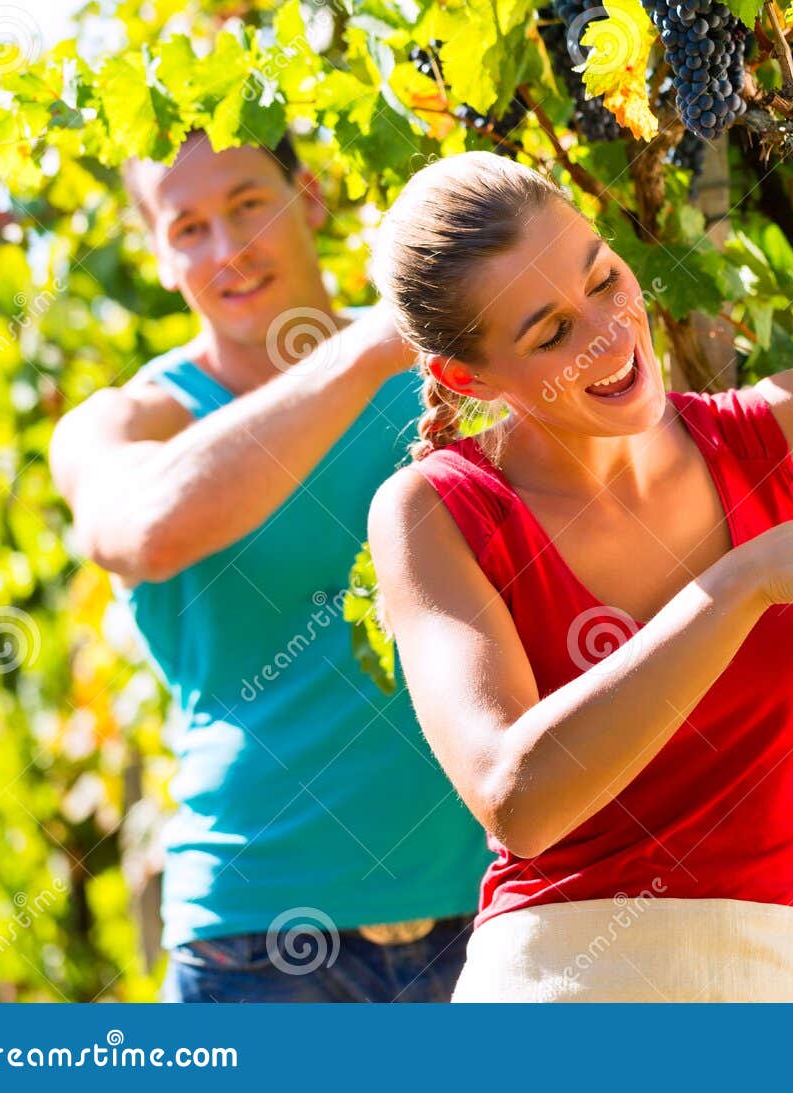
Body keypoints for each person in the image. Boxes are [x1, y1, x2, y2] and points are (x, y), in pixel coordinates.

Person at [365, 151, 793, 1002]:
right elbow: (517, 798)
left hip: (791, 988)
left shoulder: (768, 439)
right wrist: (744, 578)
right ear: (467, 377)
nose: (608, 333)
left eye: (603, 278)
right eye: (552, 331)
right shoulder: (439, 509)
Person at [48, 132, 492, 1002]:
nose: (229, 250)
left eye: (250, 204)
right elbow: (143, 529)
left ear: (312, 196)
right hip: (258, 942)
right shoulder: (126, 423)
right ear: (159, 254)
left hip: (490, 903)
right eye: (189, 228)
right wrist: (366, 347)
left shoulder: (438, 367)